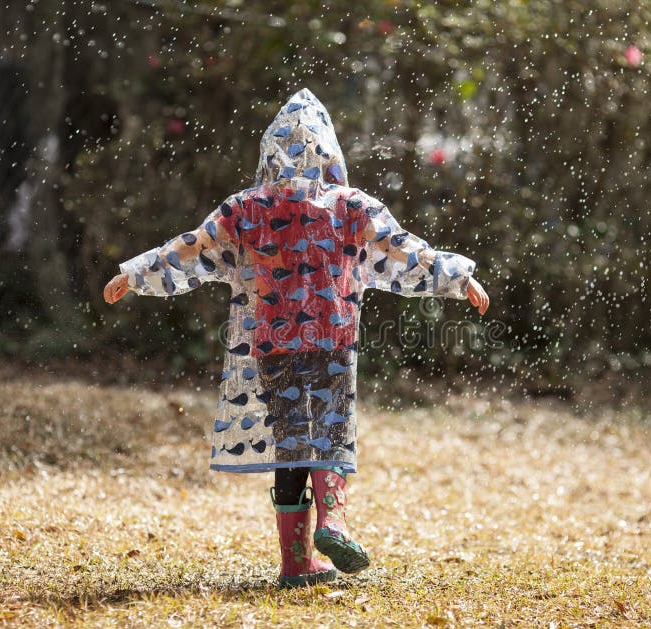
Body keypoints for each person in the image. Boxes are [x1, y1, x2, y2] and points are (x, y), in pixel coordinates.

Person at [104, 88, 489, 587]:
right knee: (329, 429)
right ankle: (332, 523)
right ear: (330, 150)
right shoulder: (351, 205)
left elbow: (191, 246)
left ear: (270, 151)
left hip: (272, 343)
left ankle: (295, 563)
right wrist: (458, 276)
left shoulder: (248, 208)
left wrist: (135, 273)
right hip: (331, 339)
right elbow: (405, 249)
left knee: (290, 442)